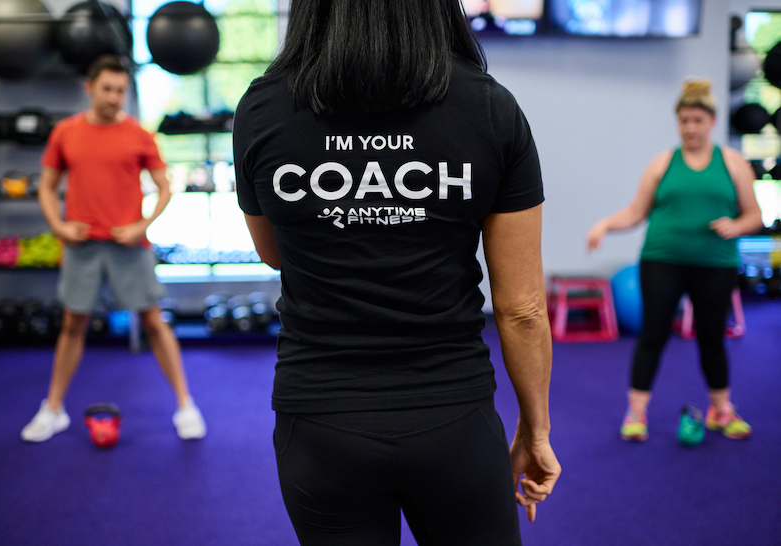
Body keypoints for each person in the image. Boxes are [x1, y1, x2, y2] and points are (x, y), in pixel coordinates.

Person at [234, 1, 560, 544]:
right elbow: (521, 308)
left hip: (320, 425)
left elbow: (274, 251)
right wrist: (536, 428)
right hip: (453, 420)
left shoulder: (263, 106)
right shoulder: (488, 105)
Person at [20, 55, 206, 443]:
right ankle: (53, 409)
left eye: (120, 90)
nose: (113, 97)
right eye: (107, 89)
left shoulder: (139, 135)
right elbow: (46, 187)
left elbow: (165, 187)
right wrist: (58, 227)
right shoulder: (66, 132)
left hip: (129, 244)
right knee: (72, 324)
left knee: (153, 321)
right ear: (89, 88)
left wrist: (141, 225)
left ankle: (185, 404)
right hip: (82, 245)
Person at [586, 78, 763, 442]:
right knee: (653, 335)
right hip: (662, 261)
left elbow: (755, 215)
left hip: (715, 264)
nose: (690, 128)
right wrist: (605, 225)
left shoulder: (732, 163)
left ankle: (721, 411)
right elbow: (636, 212)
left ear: (712, 122)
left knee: (712, 338)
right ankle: (636, 413)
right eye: (684, 120)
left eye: (698, 120)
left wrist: (736, 225)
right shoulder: (663, 163)